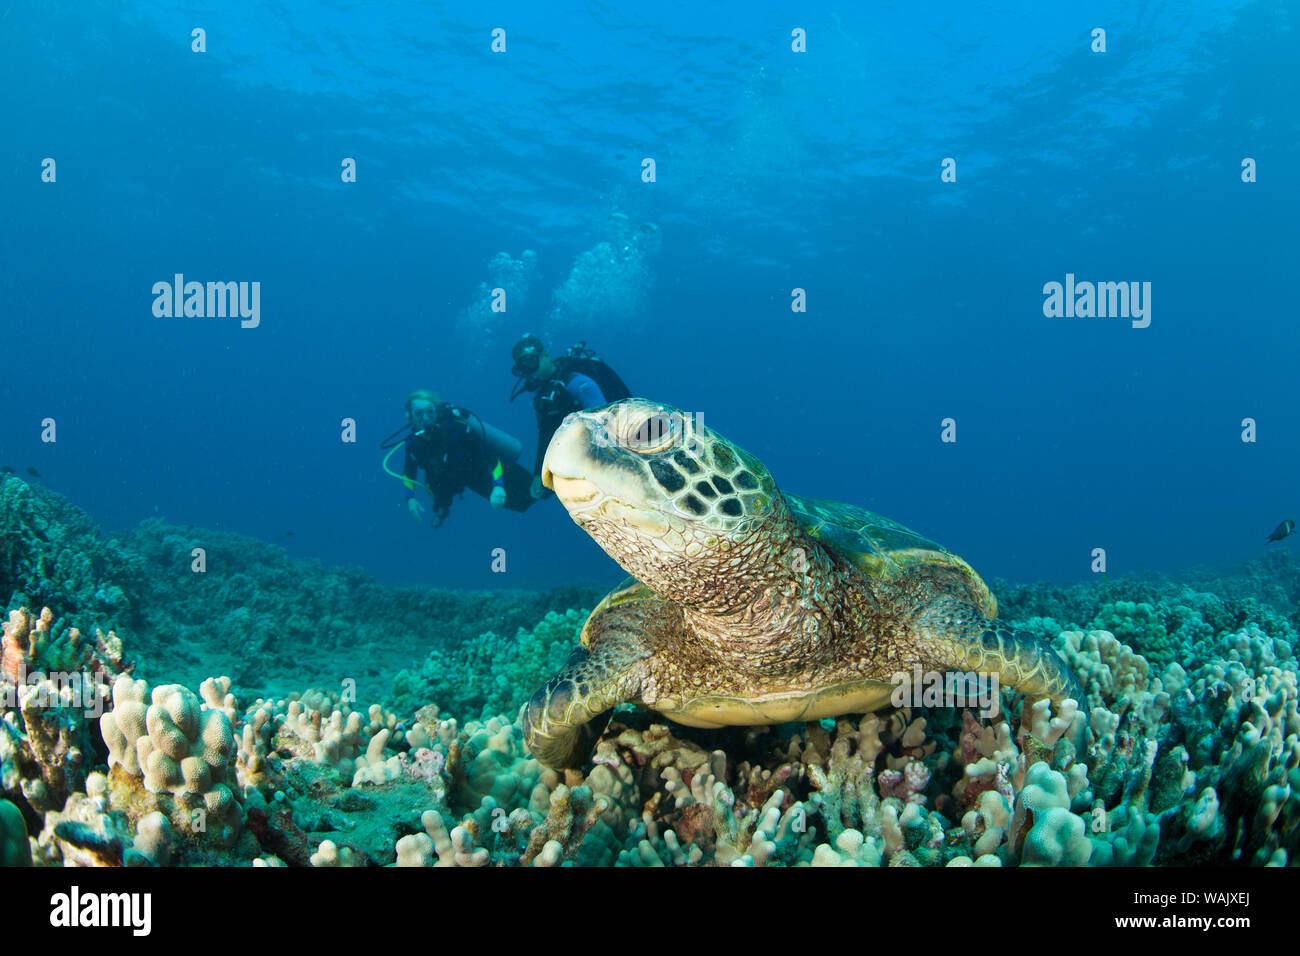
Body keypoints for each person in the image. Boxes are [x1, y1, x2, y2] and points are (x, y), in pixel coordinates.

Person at [386, 390, 537, 528]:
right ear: (410, 416)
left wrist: (498, 485)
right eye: (418, 413)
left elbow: (491, 457)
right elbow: (409, 470)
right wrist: (410, 498)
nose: (425, 418)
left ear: (436, 411)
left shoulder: (456, 428)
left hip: (485, 468)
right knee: (521, 504)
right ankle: (441, 509)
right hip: (466, 480)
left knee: (536, 488)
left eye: (429, 411)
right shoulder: (412, 443)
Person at [509, 335, 632, 498]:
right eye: (522, 367)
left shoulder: (573, 381)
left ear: (545, 355)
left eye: (530, 362)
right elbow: (545, 435)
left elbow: (605, 420)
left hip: (621, 451)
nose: (529, 371)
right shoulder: (544, 400)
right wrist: (539, 473)